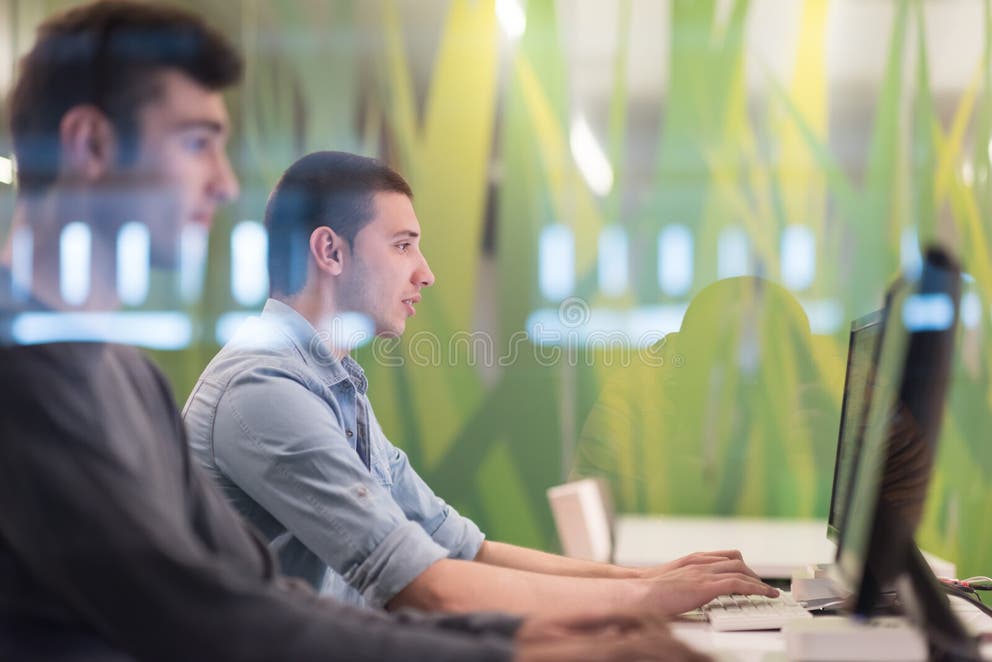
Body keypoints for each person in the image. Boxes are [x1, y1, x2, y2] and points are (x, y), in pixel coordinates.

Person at [0, 3, 711, 661]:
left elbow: (263, 593)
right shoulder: (30, 376)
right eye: (197, 142)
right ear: (90, 142)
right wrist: (532, 647)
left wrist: (546, 627)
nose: (221, 182)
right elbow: (206, 614)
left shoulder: (128, 376)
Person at [182, 150, 779, 617]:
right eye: (403, 245)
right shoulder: (263, 389)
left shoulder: (333, 385)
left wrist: (650, 580)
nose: (426, 272)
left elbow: (463, 548)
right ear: (330, 251)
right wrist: (645, 602)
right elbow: (424, 587)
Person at [573, 277, 840, 517]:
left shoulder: (822, 394)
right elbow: (585, 530)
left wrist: (827, 460)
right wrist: (680, 458)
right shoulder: (638, 392)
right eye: (727, 365)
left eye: (761, 375)